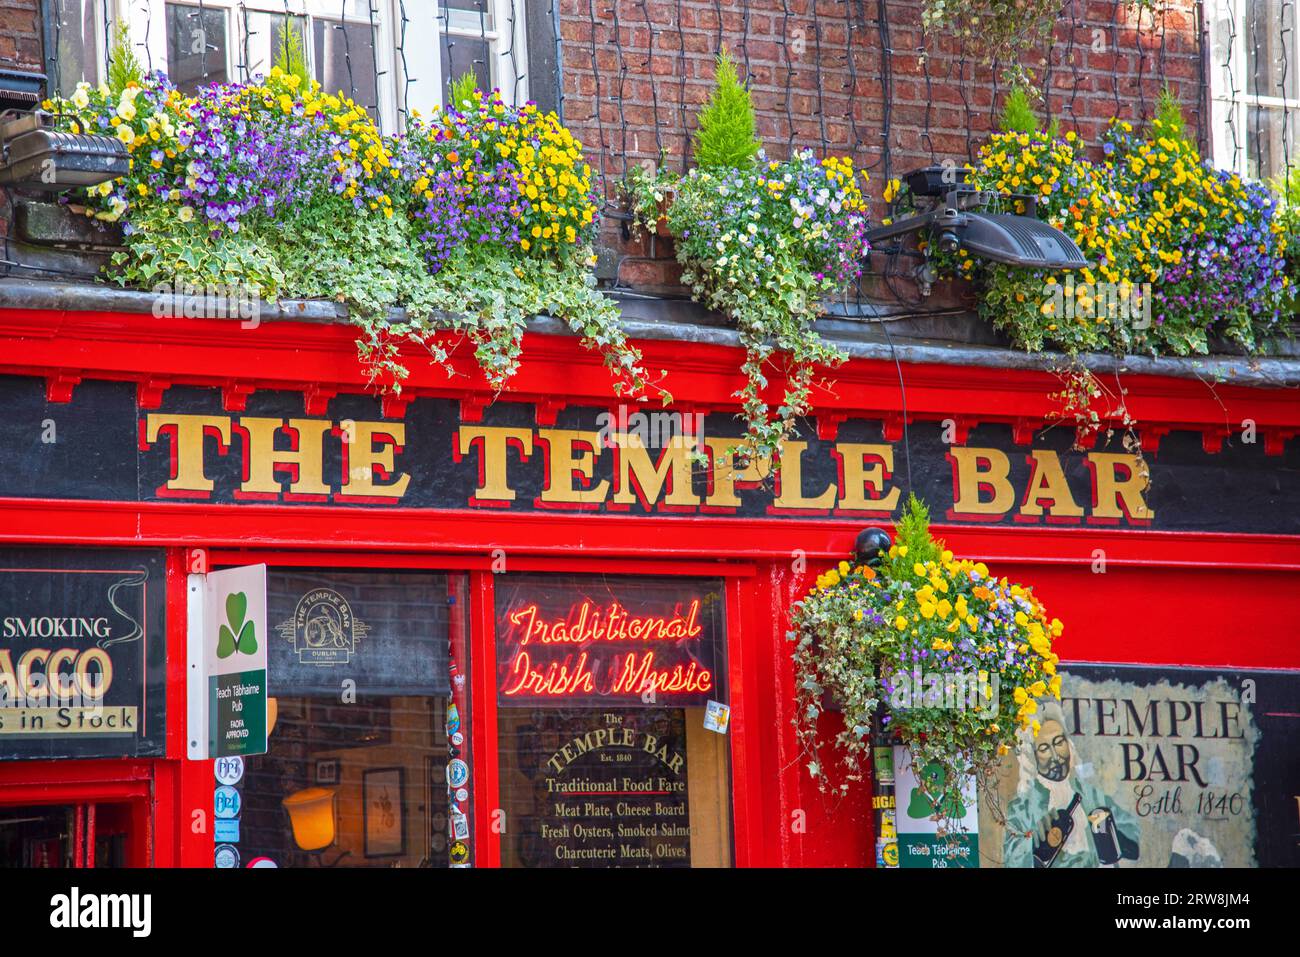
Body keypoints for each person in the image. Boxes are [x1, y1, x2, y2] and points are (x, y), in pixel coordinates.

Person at [1003, 702, 1140, 868]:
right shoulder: (1021, 807)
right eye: (1045, 748)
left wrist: (1112, 836)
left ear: (1069, 744)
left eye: (1059, 742)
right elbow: (1012, 858)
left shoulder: (1091, 794)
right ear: (1033, 756)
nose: (1055, 756)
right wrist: (1034, 845)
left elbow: (1132, 835)